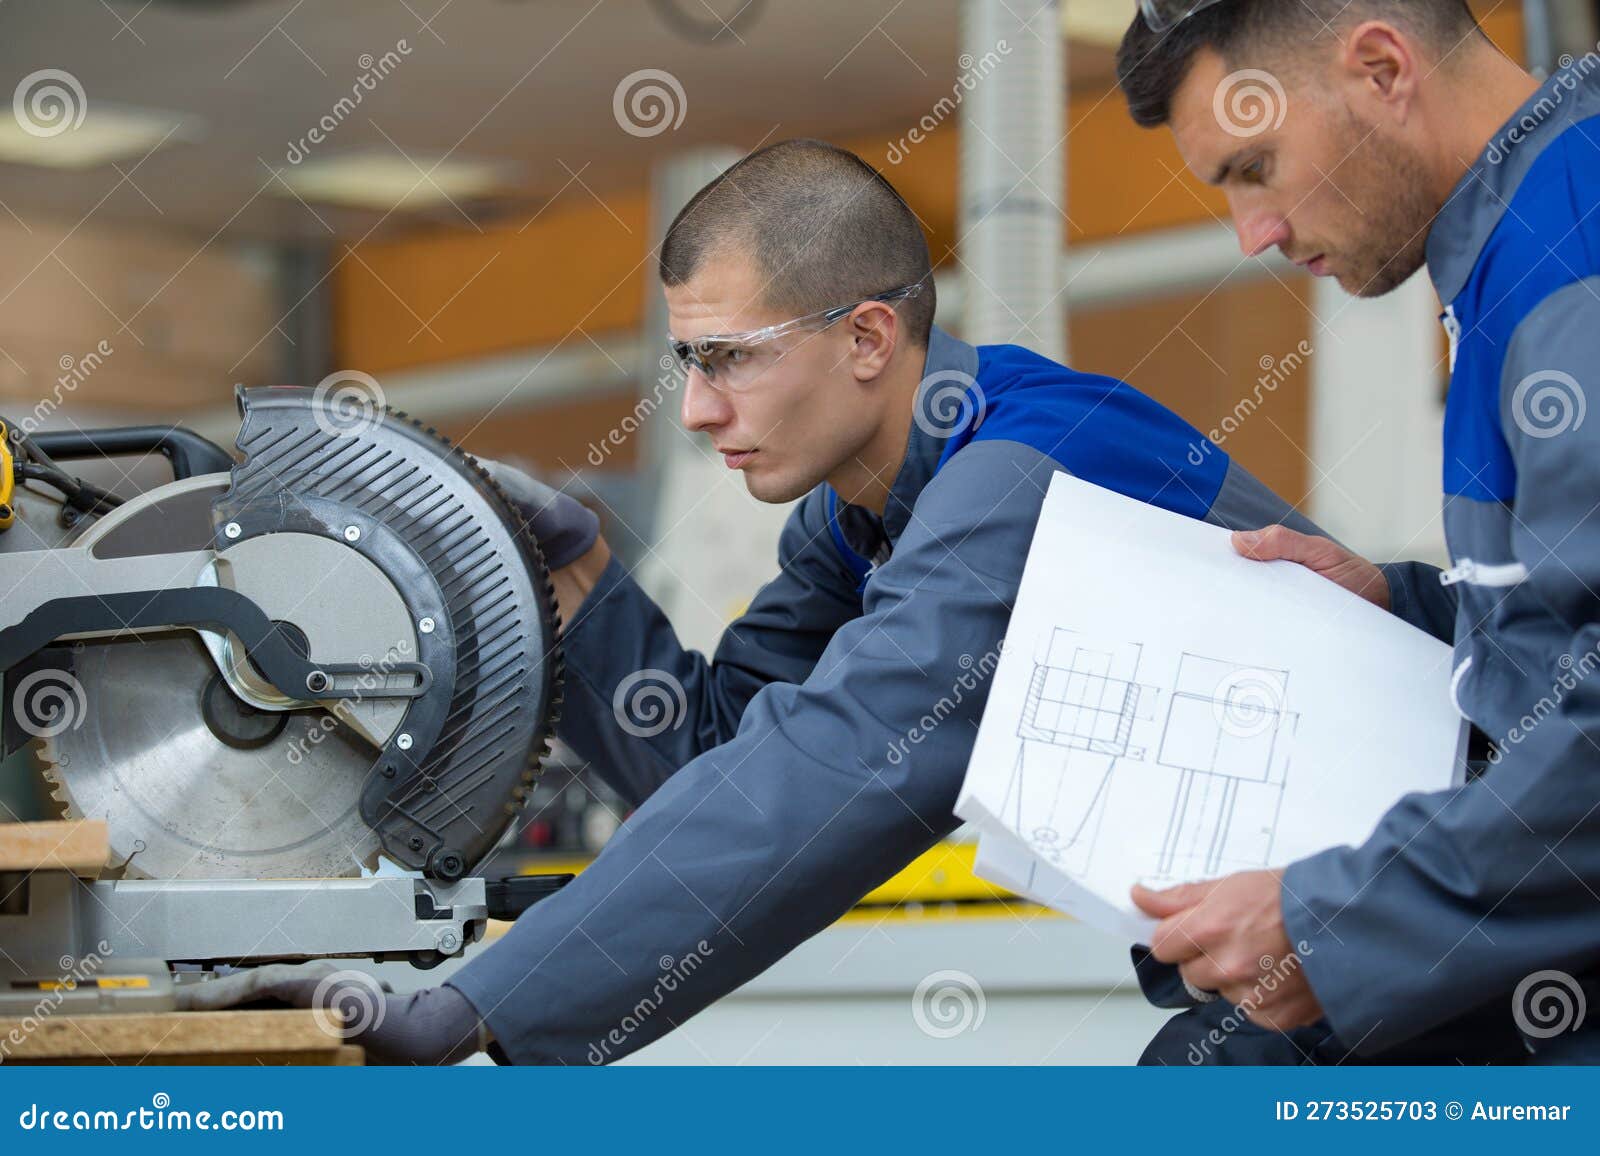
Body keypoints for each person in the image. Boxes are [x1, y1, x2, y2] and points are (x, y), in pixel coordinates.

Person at [190, 138, 1322, 1064]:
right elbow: (720, 761)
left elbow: (831, 767)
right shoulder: (856, 514)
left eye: (727, 359)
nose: (692, 410)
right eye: (687, 362)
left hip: (1430, 962)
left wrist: (473, 1001)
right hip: (1289, 985)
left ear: (868, 338)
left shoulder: (1021, 472)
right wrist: (566, 575)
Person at [1117, 0, 1600, 1063]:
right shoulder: (1516, 243)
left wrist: (1330, 924)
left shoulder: (1573, 258)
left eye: (1255, 166)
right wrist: (1410, 605)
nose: (1255, 234)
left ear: (1382, 68)